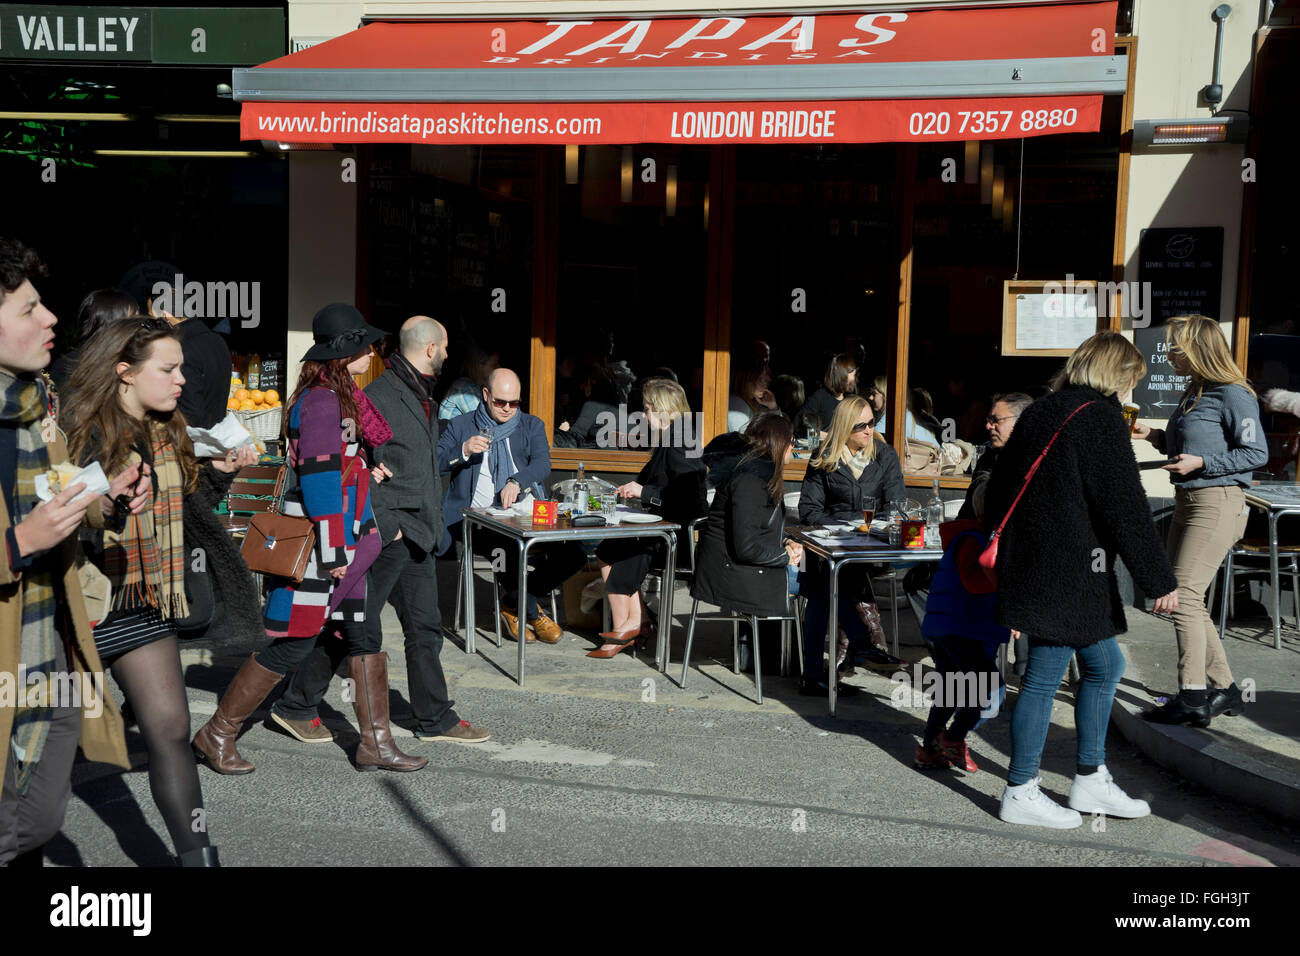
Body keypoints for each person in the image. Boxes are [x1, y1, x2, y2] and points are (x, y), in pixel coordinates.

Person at [193, 303, 429, 774]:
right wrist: (337, 548)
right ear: (346, 352)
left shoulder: (337, 397)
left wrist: (363, 469)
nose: (373, 352)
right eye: (366, 345)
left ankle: (375, 745)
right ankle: (216, 733)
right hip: (326, 544)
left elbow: (346, 460)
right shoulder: (323, 402)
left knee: (363, 634)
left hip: (344, 537)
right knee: (294, 643)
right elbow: (320, 480)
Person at [65, 317, 250, 865]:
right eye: (168, 370)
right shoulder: (83, 431)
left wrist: (217, 474)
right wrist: (109, 505)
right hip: (83, 604)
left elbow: (186, 505)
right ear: (124, 373)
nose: (181, 382)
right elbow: (63, 510)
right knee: (39, 746)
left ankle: (197, 857)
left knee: (171, 730)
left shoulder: (169, 428)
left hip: (145, 600)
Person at [986, 331, 1179, 829]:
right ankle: (1021, 789)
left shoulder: (1041, 412)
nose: (1131, 391)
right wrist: (1158, 579)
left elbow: (1004, 486)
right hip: (1067, 571)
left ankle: (1091, 778)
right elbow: (1127, 507)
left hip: (1043, 564)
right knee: (1045, 675)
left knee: (1106, 664)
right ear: (1114, 374)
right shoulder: (1099, 418)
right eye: (1131, 380)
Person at [271, 317, 490, 744]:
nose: (448, 353)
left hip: (419, 531)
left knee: (424, 627)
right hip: (389, 530)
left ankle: (434, 718)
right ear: (431, 349)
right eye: (444, 346)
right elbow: (354, 468)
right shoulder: (378, 394)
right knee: (353, 625)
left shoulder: (421, 392)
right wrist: (386, 527)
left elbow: (413, 460)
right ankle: (296, 704)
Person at [0, 238, 133, 866]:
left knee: (38, 818)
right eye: (28, 309)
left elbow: (60, 488)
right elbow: (25, 530)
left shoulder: (36, 407)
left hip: (50, 646)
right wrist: (20, 542)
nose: (50, 318)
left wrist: (100, 495)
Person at [1134, 314, 1268, 726]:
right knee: (1187, 597)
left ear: (1197, 349)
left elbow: (1256, 454)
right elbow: (1194, 443)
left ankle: (1192, 695)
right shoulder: (1197, 391)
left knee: (1185, 599)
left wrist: (1203, 462)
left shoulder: (1233, 394)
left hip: (1218, 502)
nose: (1168, 352)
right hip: (1190, 501)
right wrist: (1153, 435)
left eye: (1175, 346)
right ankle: (1226, 689)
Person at [439, 367, 583, 643]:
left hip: (523, 512)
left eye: (514, 403)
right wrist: (464, 450)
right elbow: (435, 462)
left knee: (573, 552)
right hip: (476, 519)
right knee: (506, 548)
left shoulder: (531, 425)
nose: (507, 409)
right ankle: (533, 612)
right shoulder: (461, 426)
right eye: (500, 402)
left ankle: (512, 603)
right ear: (485, 395)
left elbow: (542, 463)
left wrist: (517, 481)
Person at [590, 378, 707, 659]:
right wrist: (635, 492)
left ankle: (627, 627)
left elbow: (690, 501)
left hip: (674, 538)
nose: (643, 415)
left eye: (647, 409)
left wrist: (644, 492)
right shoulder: (674, 439)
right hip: (664, 531)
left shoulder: (678, 442)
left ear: (662, 409)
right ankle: (634, 622)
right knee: (610, 548)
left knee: (613, 549)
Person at [798, 396, 906, 686]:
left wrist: (868, 526)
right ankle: (865, 643)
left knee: (831, 579)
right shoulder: (824, 457)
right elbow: (809, 510)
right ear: (845, 427)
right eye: (861, 426)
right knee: (831, 573)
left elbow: (896, 506)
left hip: (874, 544)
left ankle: (847, 651)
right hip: (833, 543)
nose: (869, 431)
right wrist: (845, 526)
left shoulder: (884, 455)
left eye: (872, 423)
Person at [914, 483, 1010, 772]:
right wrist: (1004, 585)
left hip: (950, 625)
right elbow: (972, 580)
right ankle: (952, 737)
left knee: (950, 690)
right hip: (958, 628)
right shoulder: (972, 539)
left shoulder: (973, 536)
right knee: (989, 685)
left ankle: (929, 749)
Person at [692, 412, 803, 657]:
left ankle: (784, 658)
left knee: (821, 579)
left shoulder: (759, 474)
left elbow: (758, 529)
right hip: (732, 572)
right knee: (821, 584)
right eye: (792, 440)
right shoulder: (750, 481)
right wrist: (785, 557)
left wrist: (785, 542)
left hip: (741, 567)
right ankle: (804, 665)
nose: (794, 447)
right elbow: (746, 547)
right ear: (779, 443)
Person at [118, 262, 231, 429]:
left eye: (152, 318)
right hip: (218, 438)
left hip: (194, 444)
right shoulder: (217, 340)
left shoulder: (181, 349)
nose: (153, 324)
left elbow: (192, 415)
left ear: (164, 315)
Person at [958, 392, 1032, 520]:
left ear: (1021, 420)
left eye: (996, 420)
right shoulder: (987, 460)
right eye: (988, 420)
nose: (988, 426)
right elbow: (967, 512)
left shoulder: (1034, 462)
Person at [49, 288, 138, 392]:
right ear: (110, 325)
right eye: (133, 321)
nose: (140, 327)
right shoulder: (69, 367)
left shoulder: (131, 359)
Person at [797, 353, 857, 436]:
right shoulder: (820, 396)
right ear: (842, 375)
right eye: (852, 374)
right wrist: (827, 436)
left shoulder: (850, 399)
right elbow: (801, 425)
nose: (854, 378)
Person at [438, 340, 499, 421]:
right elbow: (486, 422)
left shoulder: (477, 388)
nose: (499, 368)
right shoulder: (464, 388)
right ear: (480, 365)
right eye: (494, 365)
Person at [727, 364, 777, 432]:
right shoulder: (737, 404)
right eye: (760, 380)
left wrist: (773, 407)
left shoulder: (754, 404)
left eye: (765, 380)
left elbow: (779, 431)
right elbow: (740, 437)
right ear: (746, 381)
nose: (765, 384)